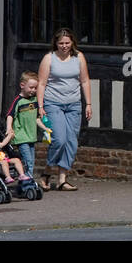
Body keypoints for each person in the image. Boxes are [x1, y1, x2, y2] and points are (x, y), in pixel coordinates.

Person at [37, 29, 92, 191]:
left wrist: (88, 104)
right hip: (53, 103)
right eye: (61, 43)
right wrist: (40, 106)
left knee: (71, 142)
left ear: (72, 43)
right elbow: (41, 83)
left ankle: (62, 179)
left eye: (67, 43)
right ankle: (47, 171)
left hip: (74, 104)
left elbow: (85, 81)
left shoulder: (79, 57)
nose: (64, 46)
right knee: (59, 139)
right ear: (55, 43)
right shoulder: (49, 58)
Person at [5, 71, 43, 187]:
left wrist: (45, 128)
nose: (33, 90)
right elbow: (10, 115)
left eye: (35, 88)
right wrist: (9, 128)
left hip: (31, 137)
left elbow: (37, 118)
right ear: (22, 85)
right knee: (28, 162)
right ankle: (27, 183)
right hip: (21, 137)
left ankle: (25, 181)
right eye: (31, 87)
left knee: (31, 161)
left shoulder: (34, 100)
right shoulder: (18, 101)